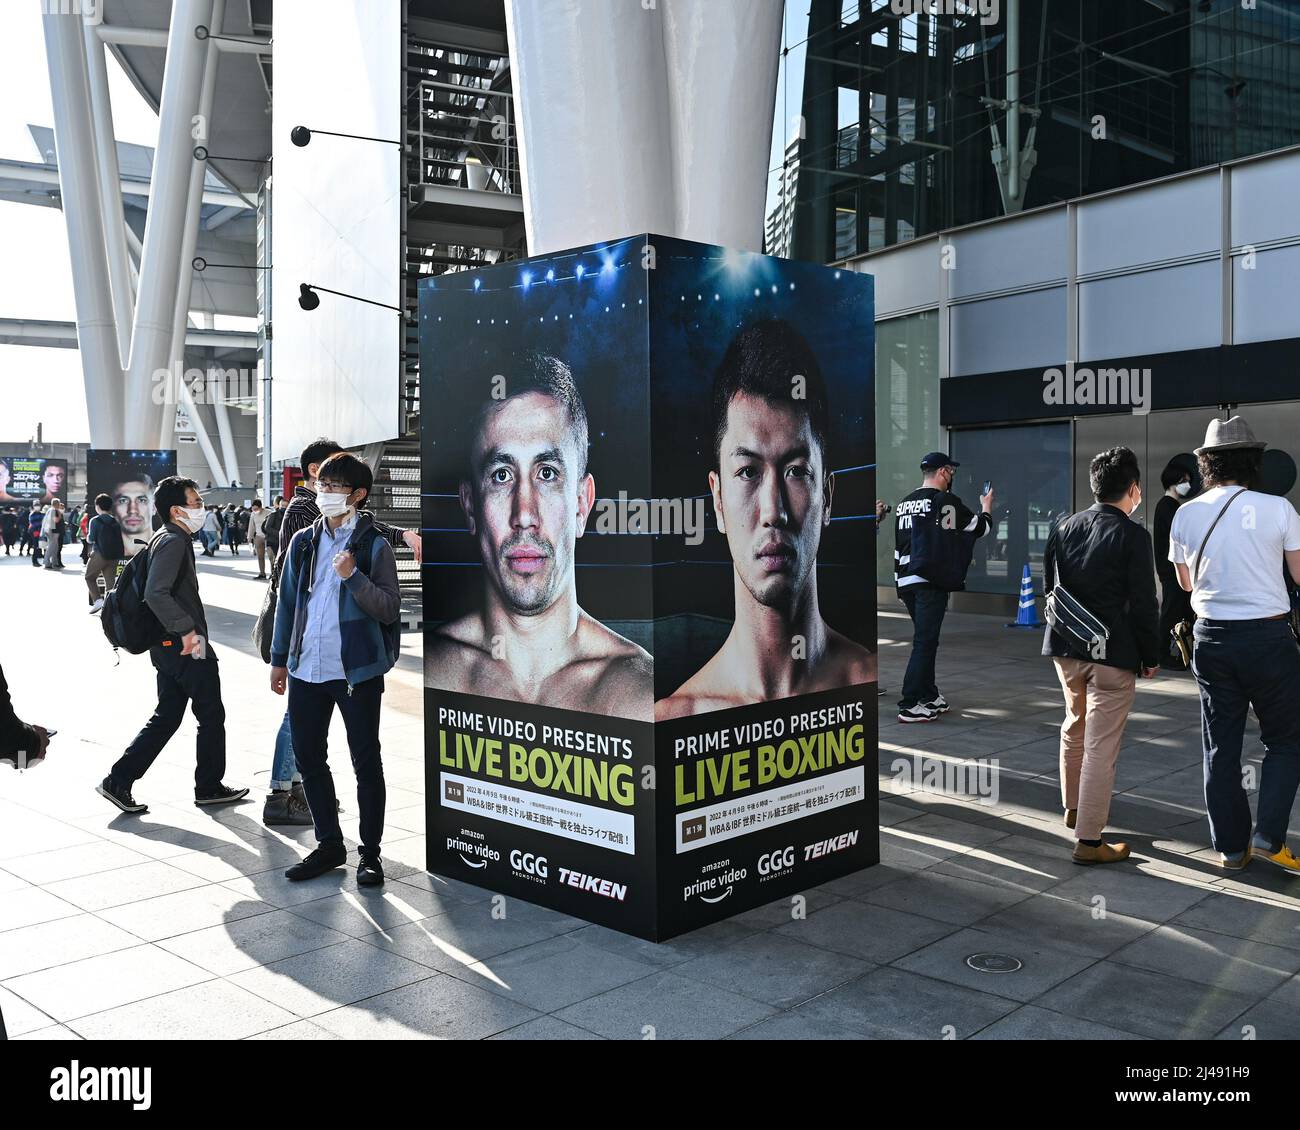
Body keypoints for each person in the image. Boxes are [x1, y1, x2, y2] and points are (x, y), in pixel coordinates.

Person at [656, 321, 874, 718]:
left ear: (827, 497)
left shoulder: (866, 685)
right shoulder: (676, 717)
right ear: (718, 498)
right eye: (747, 472)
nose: (774, 512)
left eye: (796, 470)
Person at [426, 354, 653, 721]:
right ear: (470, 506)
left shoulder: (636, 693)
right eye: (501, 475)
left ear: (582, 504)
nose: (525, 515)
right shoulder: (439, 672)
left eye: (547, 473)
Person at [260, 438, 419, 828]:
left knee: (365, 762)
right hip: (305, 671)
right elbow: (288, 606)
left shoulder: (373, 546)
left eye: (334, 487)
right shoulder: (303, 541)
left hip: (355, 672)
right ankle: (328, 844)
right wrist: (280, 660)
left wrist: (352, 578)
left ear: (358, 495)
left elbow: (388, 608)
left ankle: (370, 852)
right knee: (310, 759)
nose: (324, 492)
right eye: (322, 484)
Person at [1169, 416, 1300, 874]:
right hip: (1269, 637)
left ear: (1206, 464)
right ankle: (1268, 834)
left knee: (1220, 745)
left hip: (1212, 638)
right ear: (1253, 462)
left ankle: (1230, 847)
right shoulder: (1278, 509)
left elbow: (1185, 584)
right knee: (1285, 739)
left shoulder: (1186, 513)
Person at [96, 477, 249, 815]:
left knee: (167, 715)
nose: (200, 507)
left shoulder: (166, 538)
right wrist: (187, 632)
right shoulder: (173, 542)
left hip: (166, 644)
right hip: (184, 644)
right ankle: (208, 787)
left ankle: (118, 780)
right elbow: (155, 593)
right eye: (195, 501)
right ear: (177, 510)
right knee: (211, 713)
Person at [1043, 447, 1160, 865]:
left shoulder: (1063, 527)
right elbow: (1145, 604)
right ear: (1132, 489)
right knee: (1101, 746)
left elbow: (1049, 589)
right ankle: (1089, 841)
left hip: (1064, 647)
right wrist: (1150, 655)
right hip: (1112, 654)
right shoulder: (1132, 535)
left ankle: (1073, 808)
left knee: (1074, 725)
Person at [891, 453, 993, 722]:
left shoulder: (904, 504)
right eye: (951, 472)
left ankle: (929, 695)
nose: (951, 478)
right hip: (930, 581)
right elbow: (979, 528)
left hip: (906, 580)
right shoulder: (945, 501)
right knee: (924, 642)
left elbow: (899, 546)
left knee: (927, 639)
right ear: (944, 472)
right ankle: (910, 702)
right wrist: (987, 507)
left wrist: (899, 585)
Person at [1154, 460, 1195, 670]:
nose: (1187, 484)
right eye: (1184, 481)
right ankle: (1162, 653)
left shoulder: (1170, 506)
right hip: (1172, 570)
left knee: (1181, 611)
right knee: (1171, 612)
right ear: (1173, 482)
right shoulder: (1168, 506)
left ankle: (1182, 652)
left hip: (1173, 569)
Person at [84, 493, 125, 611]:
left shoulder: (95, 521)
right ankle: (111, 606)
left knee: (89, 577)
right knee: (110, 582)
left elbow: (91, 539)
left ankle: (97, 600)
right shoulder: (116, 521)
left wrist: (87, 537)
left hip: (99, 554)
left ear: (98, 506)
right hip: (114, 556)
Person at [111, 476, 155, 557]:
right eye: (123, 501)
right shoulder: (107, 551)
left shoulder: (166, 548)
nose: (132, 510)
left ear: (154, 508)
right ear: (113, 509)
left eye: (142, 500)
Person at [248, 499, 270, 579]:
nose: (255, 510)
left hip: (268, 537)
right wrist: (249, 538)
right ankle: (262, 573)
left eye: (256, 509)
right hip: (258, 537)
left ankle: (273, 574)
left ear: (261, 507)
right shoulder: (253, 514)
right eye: (253, 509)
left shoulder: (268, 513)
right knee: (260, 556)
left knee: (271, 556)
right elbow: (251, 526)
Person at [41, 500, 65, 570]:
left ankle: (54, 562)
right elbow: (56, 520)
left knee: (55, 547)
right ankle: (47, 562)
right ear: (56, 504)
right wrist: (60, 514)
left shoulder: (50, 510)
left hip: (51, 531)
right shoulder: (54, 511)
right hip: (53, 531)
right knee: (51, 547)